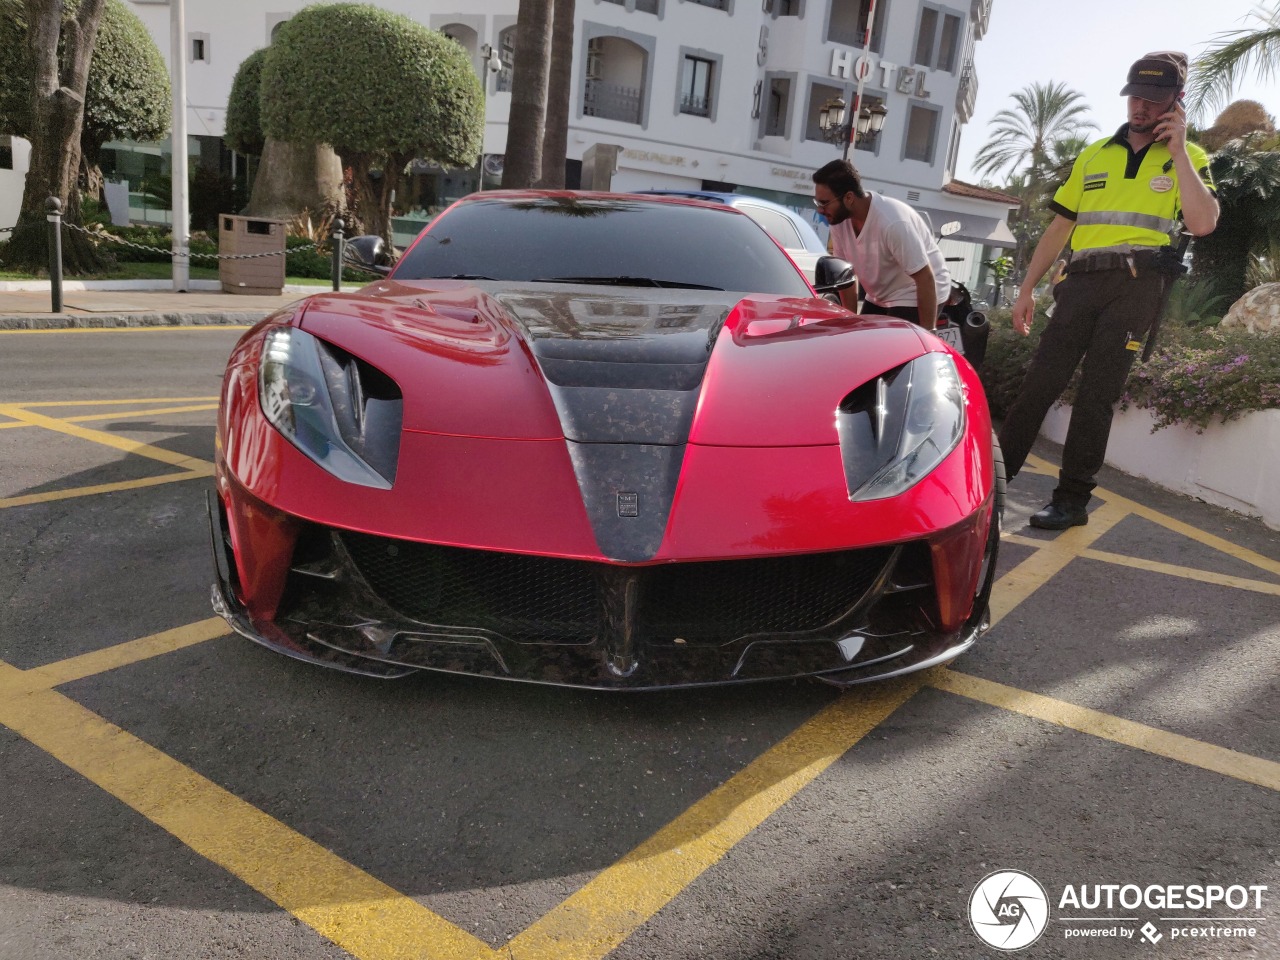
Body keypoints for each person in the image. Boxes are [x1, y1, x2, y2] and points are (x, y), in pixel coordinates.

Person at [998, 52, 1219, 530]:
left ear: (1176, 103)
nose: (1141, 108)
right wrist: (1026, 289)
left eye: (1155, 100)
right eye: (1136, 97)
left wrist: (1180, 152)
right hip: (1080, 284)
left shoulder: (1192, 158)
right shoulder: (1095, 153)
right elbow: (1060, 227)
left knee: (1098, 396)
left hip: (1137, 289)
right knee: (1039, 385)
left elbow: (1203, 224)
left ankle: (1072, 501)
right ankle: (992, 487)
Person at [811, 159, 950, 329]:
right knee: (862, 341)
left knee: (898, 349)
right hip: (880, 293)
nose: (820, 210)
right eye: (818, 202)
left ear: (849, 198)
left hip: (916, 290)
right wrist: (849, 326)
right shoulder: (839, 221)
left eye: (824, 203)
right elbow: (845, 277)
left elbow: (925, 278)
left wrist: (929, 334)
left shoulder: (892, 221)